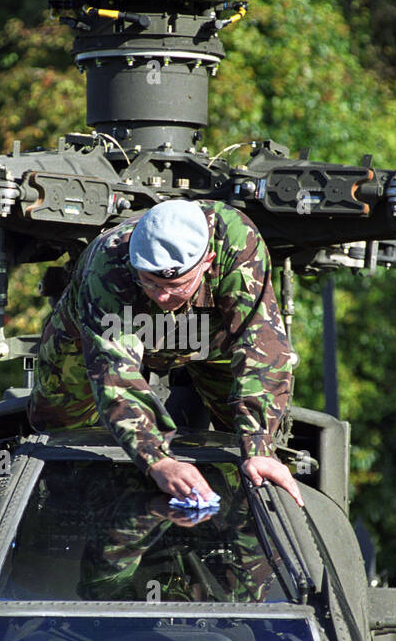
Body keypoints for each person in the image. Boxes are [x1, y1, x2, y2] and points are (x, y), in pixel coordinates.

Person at [27, 199, 303, 505]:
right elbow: (115, 375)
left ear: (208, 261)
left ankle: (233, 508)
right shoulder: (108, 262)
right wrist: (157, 459)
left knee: (243, 438)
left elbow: (260, 344)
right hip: (94, 336)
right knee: (61, 428)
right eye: (150, 281)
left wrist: (259, 446)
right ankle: (75, 505)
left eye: (176, 284)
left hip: (207, 331)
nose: (161, 296)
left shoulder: (237, 241)